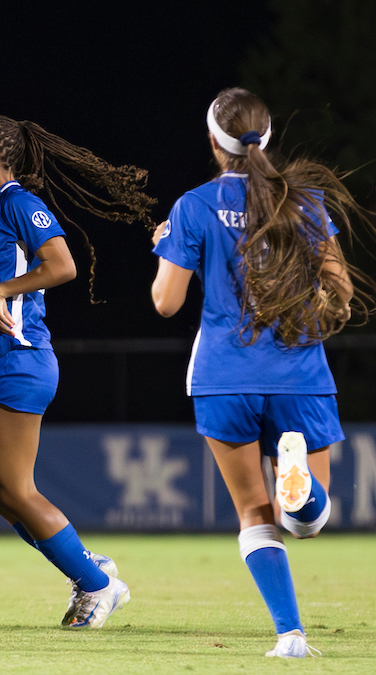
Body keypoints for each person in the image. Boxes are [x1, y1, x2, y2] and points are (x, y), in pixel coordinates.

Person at [151, 87, 371, 657]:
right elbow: (340, 289)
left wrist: (168, 250)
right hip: (299, 373)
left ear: (213, 141)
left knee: (254, 515)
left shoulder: (194, 205)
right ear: (266, 136)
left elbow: (166, 303)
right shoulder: (304, 201)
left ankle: (290, 635)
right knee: (306, 523)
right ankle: (297, 486)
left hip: (225, 376)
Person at [0, 115, 153, 629]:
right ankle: (86, 565)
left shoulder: (20, 203)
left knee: (17, 490)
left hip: (21, 360)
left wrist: (4, 289)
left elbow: (62, 266)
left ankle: (98, 584)